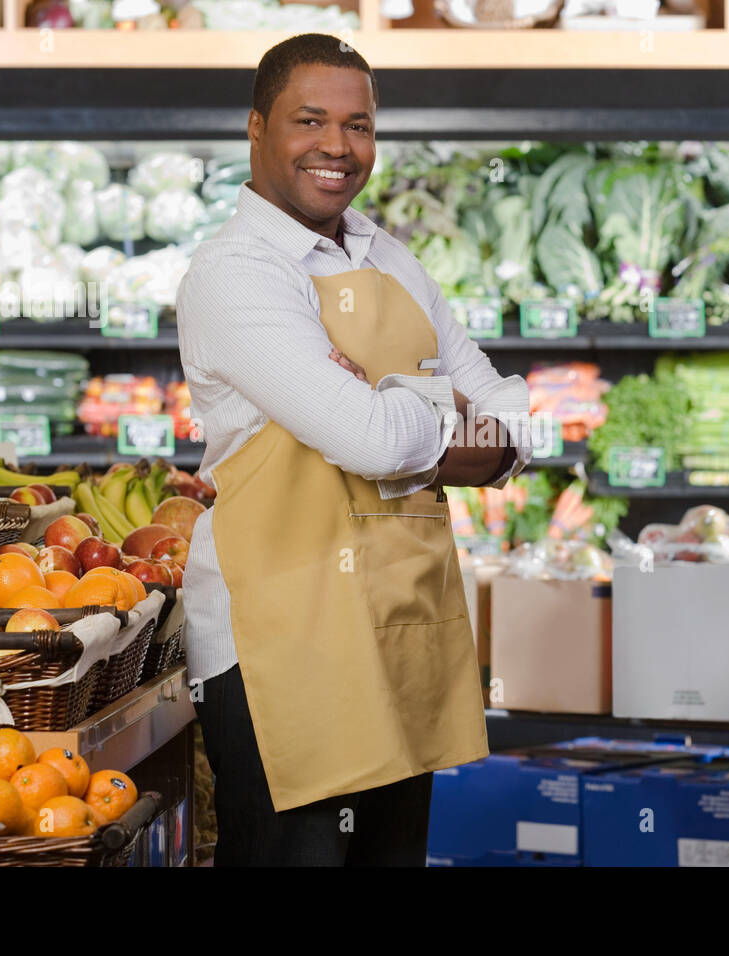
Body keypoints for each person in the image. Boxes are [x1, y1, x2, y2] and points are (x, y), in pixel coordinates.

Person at [175, 32, 532, 867]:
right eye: (310, 121)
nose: (337, 146)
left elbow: (515, 422)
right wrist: (422, 406)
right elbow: (369, 441)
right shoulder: (236, 273)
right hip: (282, 643)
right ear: (256, 128)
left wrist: (390, 402)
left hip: (401, 628)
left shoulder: (390, 257)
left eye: (359, 124)